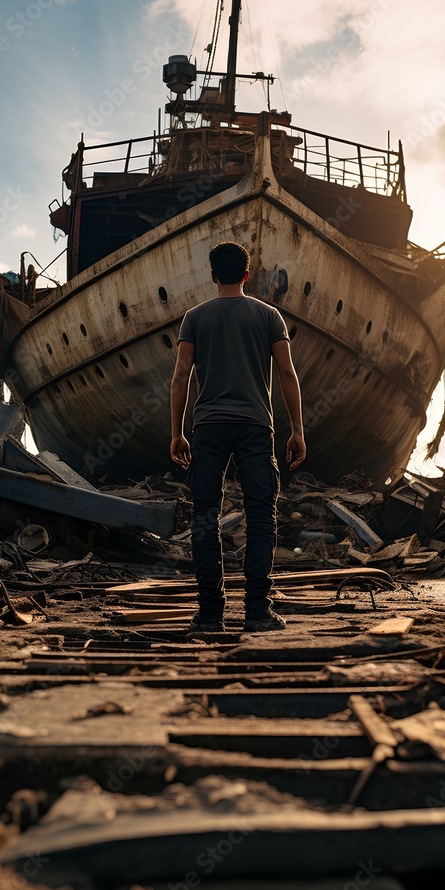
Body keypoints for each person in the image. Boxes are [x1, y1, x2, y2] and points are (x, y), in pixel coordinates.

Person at [170, 241, 306, 633]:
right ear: (247, 275)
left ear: (213, 275)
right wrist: (297, 430)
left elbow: (181, 377)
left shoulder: (195, 317)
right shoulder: (269, 316)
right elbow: (287, 373)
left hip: (208, 427)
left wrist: (177, 433)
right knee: (261, 515)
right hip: (255, 427)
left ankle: (210, 613)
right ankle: (257, 611)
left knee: (205, 516)